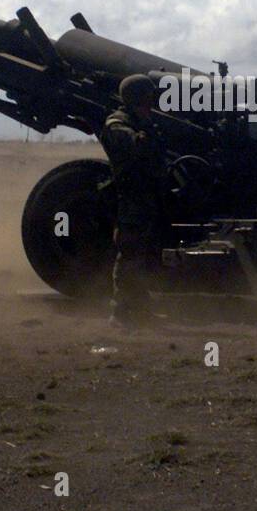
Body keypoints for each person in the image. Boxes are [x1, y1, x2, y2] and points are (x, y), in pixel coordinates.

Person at [100, 74, 168, 326]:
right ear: (137, 98)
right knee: (130, 254)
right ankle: (120, 313)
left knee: (143, 256)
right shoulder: (117, 124)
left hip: (147, 195)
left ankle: (141, 310)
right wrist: (149, 131)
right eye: (148, 97)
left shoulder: (142, 121)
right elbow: (136, 145)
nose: (152, 102)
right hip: (132, 197)